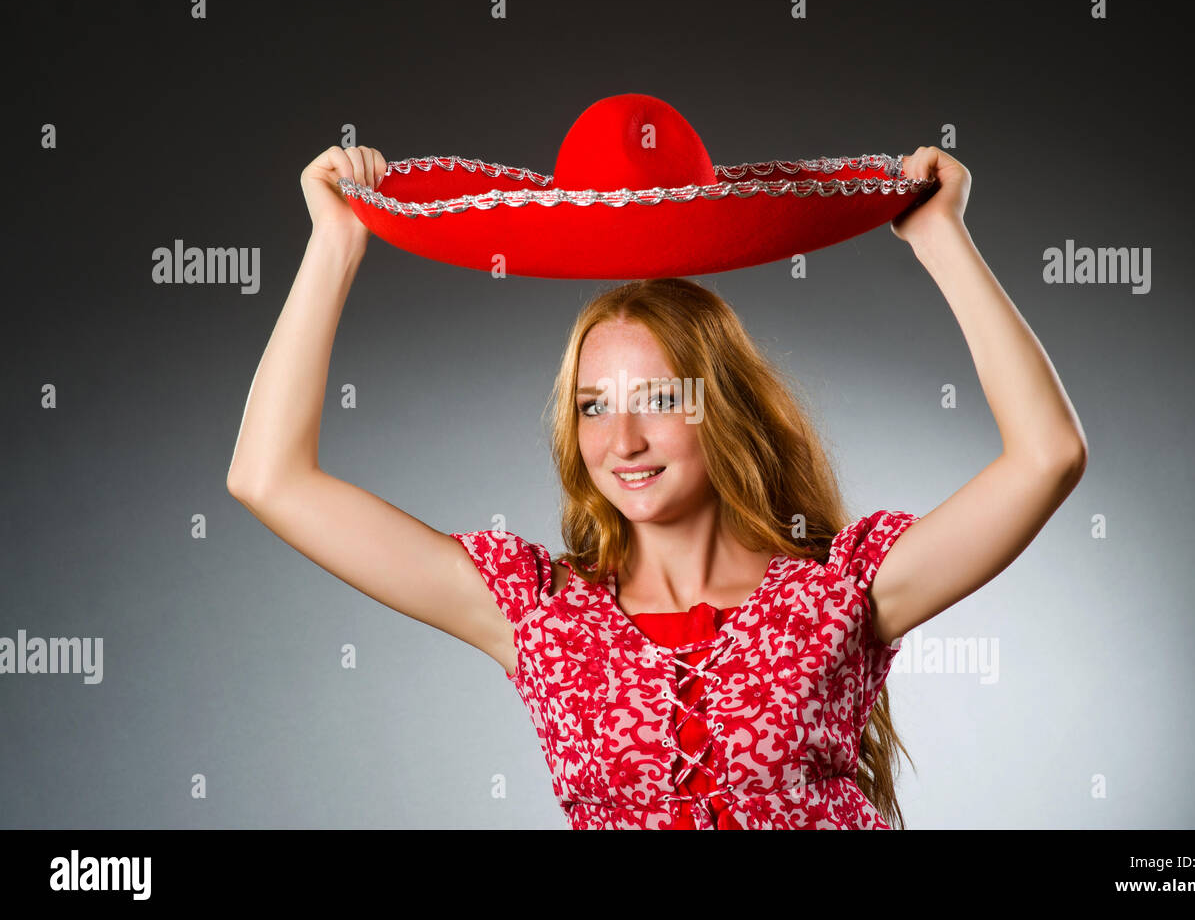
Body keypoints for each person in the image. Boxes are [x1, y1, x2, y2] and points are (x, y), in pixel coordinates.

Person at [227, 144, 1088, 830]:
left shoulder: (842, 592)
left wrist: (943, 237)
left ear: (723, 408)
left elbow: (1047, 455)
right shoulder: (538, 613)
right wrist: (334, 246)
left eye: (661, 400)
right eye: (593, 406)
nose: (623, 440)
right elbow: (269, 477)